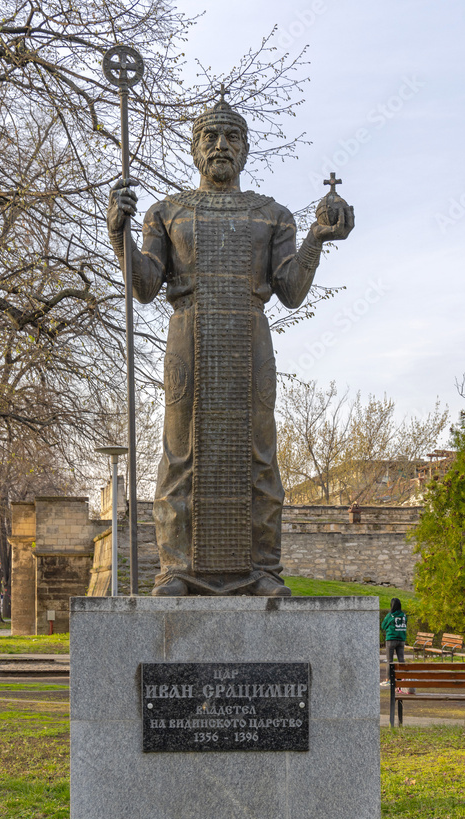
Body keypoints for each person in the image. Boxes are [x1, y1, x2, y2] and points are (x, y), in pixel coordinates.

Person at [107, 93, 354, 597]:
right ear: (195, 149)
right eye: (210, 137)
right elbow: (145, 284)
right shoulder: (166, 212)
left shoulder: (272, 214)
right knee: (181, 453)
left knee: (260, 454)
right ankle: (176, 569)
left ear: (245, 149)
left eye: (231, 137)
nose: (220, 145)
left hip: (250, 332)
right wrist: (120, 236)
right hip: (188, 331)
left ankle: (262, 569)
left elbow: (290, 290)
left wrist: (316, 238)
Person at [381, 597, 408, 674]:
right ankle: (403, 677)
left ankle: (389, 679)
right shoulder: (404, 615)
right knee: (401, 659)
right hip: (401, 640)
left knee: (390, 661)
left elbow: (383, 626)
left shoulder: (390, 615)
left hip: (391, 639)